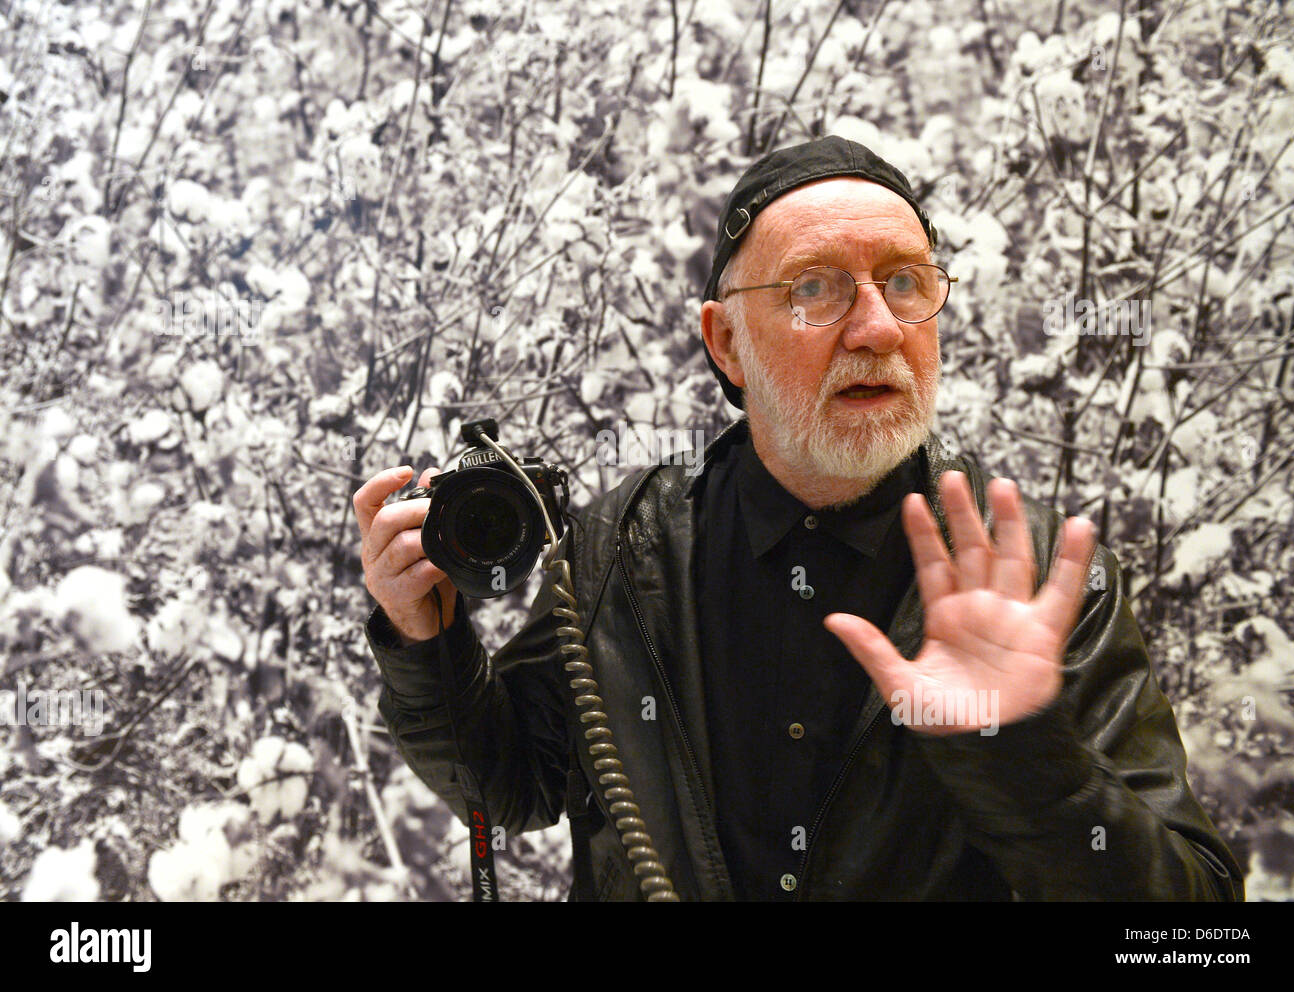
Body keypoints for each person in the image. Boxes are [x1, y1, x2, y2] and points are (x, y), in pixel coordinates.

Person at [353, 135, 1244, 901]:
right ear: (725, 342)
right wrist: (421, 639)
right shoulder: (623, 548)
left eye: (905, 281)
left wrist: (1019, 750)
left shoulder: (1038, 574)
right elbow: (511, 784)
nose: (878, 329)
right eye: (814, 288)